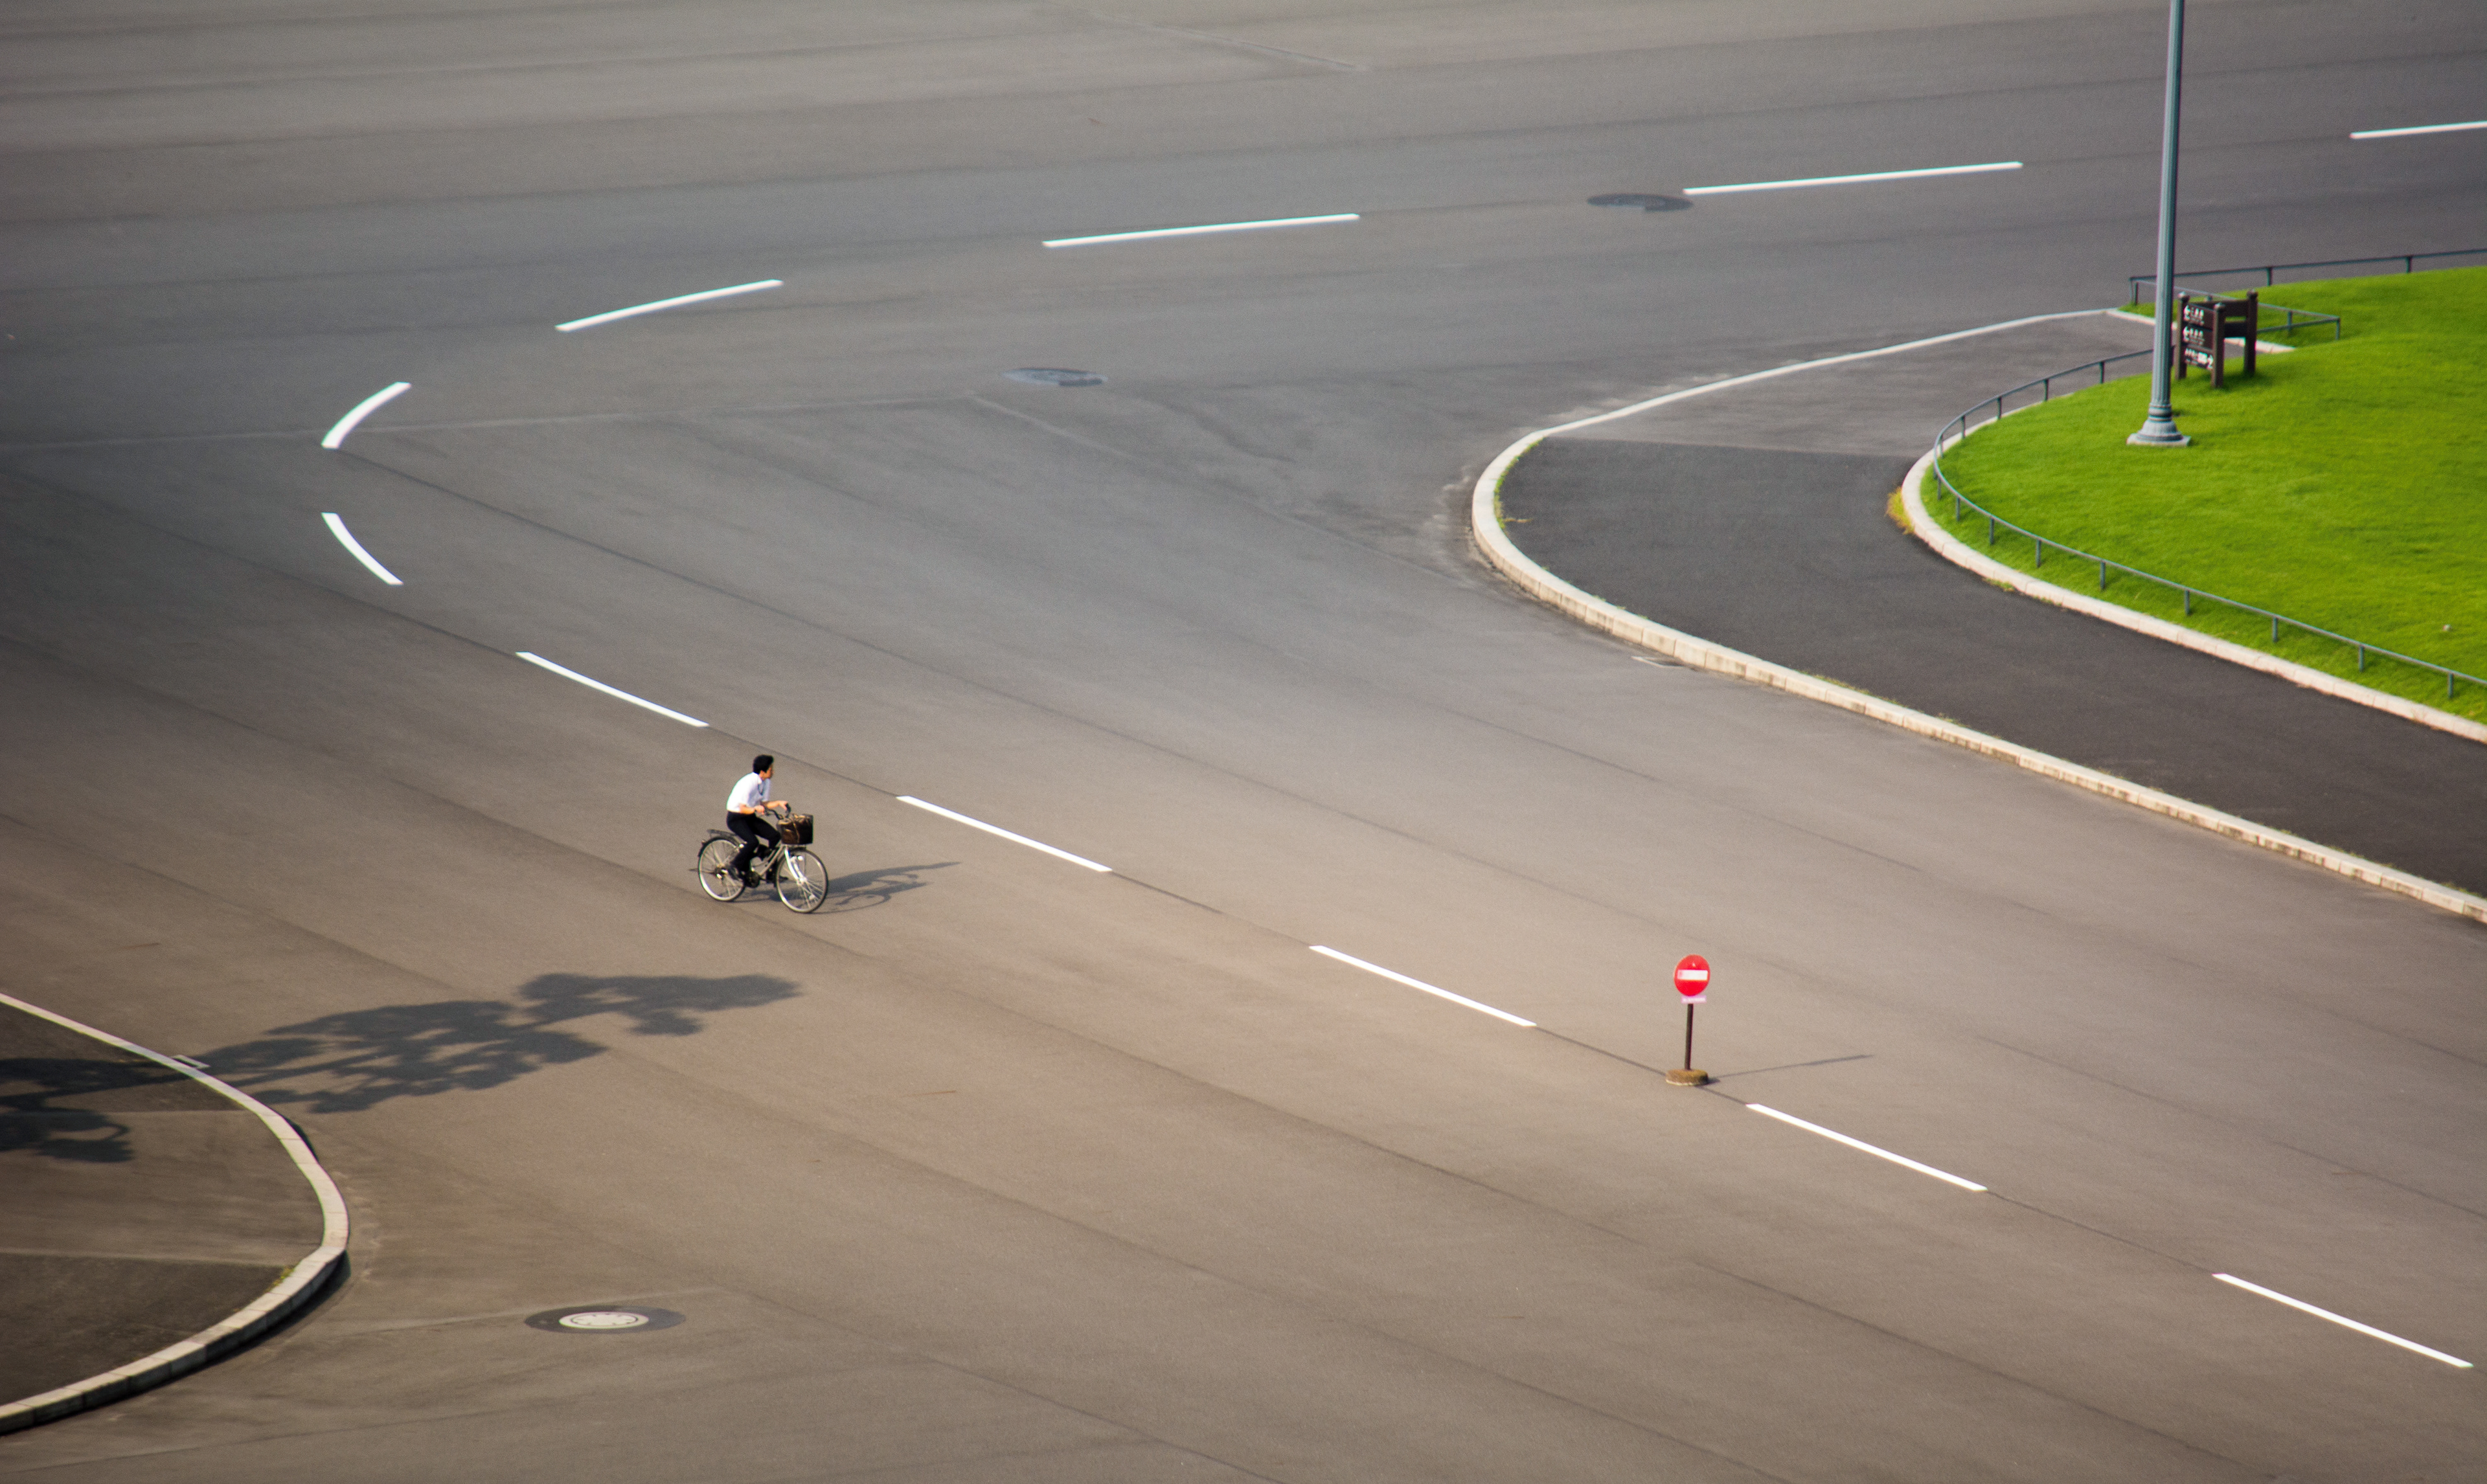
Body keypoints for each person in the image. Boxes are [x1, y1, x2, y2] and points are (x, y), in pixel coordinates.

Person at [725, 755, 790, 886]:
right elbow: (742, 808)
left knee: (775, 836)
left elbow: (765, 803)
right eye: (771, 769)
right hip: (736, 818)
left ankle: (771, 874)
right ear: (763, 772)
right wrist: (755, 808)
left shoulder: (766, 782)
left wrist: (778, 803)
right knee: (752, 842)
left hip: (749, 817)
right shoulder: (748, 783)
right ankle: (734, 866)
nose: (773, 772)